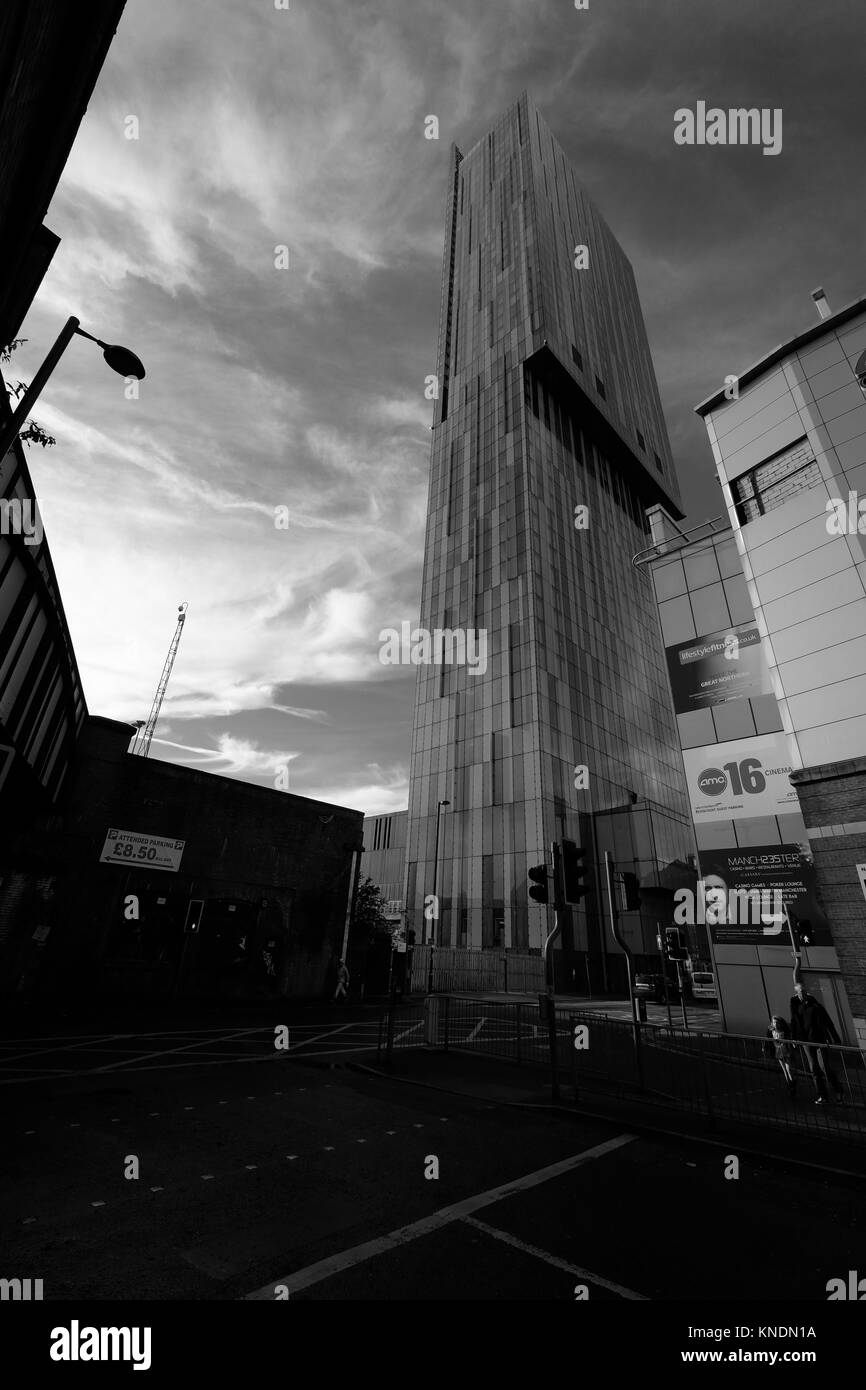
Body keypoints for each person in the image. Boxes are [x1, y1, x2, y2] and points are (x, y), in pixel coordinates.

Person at [789, 961, 843, 1104]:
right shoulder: (795, 1006)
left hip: (819, 1039)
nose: (800, 995)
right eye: (798, 992)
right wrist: (794, 1038)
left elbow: (827, 1022)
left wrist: (835, 1038)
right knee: (814, 1069)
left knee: (825, 1067)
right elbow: (794, 1021)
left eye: (802, 992)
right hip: (806, 1041)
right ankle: (822, 1095)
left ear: (806, 992)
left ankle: (838, 1091)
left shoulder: (815, 1006)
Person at [764, 1014, 796, 1099]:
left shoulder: (784, 1029)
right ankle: (789, 1086)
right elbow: (767, 1039)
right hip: (778, 1051)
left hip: (786, 1051)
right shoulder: (770, 1029)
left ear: (780, 1023)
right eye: (774, 1022)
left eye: (777, 1022)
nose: (775, 1024)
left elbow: (790, 1036)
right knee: (784, 1070)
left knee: (789, 1069)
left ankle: (793, 1082)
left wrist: (793, 1043)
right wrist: (765, 1047)